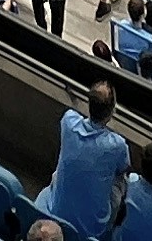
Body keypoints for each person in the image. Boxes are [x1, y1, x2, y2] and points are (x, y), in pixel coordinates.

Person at [45, 80, 133, 238]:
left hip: (56, 212)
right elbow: (123, 169)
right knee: (122, 181)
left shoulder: (68, 120)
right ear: (112, 111)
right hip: (94, 229)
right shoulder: (117, 145)